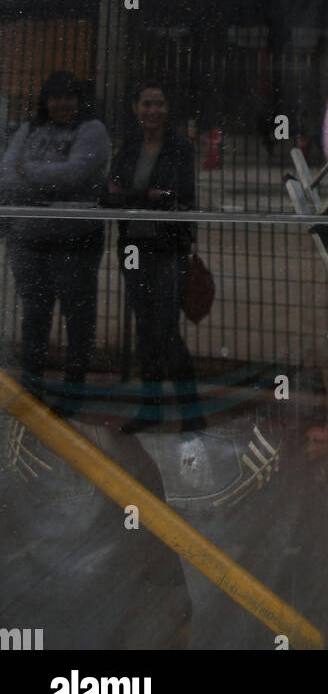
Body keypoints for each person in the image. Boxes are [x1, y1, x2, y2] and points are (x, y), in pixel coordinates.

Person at [0, 71, 109, 413]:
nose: (60, 104)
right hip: (29, 238)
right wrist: (45, 178)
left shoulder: (93, 131)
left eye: (68, 97)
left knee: (77, 313)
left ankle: (72, 388)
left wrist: (28, 171)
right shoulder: (29, 128)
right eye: (54, 97)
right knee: (34, 312)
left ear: (79, 100)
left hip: (74, 239)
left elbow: (77, 173)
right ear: (45, 101)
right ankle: (32, 385)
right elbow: (5, 173)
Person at [105, 82, 204, 435]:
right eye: (146, 104)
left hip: (167, 248)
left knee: (165, 330)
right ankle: (152, 409)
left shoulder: (179, 147)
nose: (152, 110)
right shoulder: (129, 148)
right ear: (135, 107)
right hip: (133, 247)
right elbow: (110, 196)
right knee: (146, 330)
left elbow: (178, 195)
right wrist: (146, 194)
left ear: (167, 108)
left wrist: (134, 196)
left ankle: (191, 410)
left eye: (159, 104)